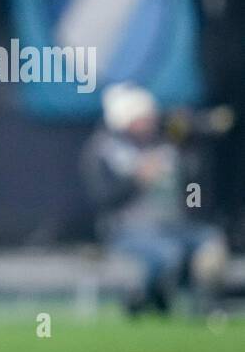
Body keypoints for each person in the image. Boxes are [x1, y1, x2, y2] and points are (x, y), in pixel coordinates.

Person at [82, 82, 229, 315]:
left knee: (211, 245)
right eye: (141, 118)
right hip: (129, 229)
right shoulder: (105, 150)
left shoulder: (168, 142)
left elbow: (201, 134)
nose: (148, 122)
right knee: (168, 253)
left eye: (149, 117)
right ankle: (144, 300)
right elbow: (102, 199)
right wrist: (137, 180)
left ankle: (207, 310)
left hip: (176, 225)